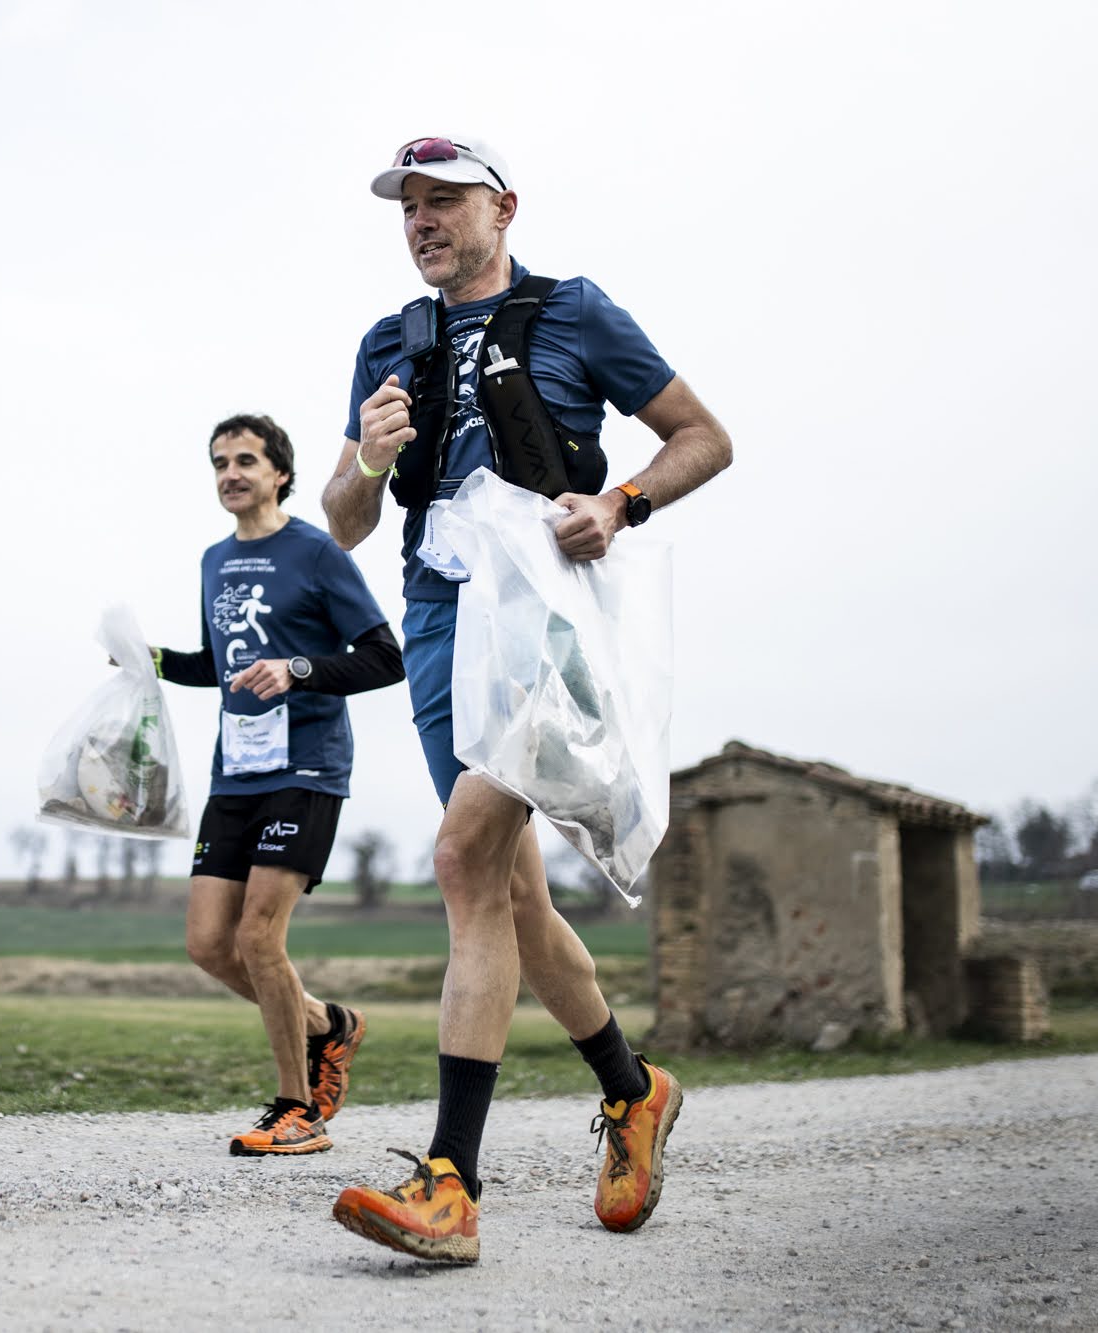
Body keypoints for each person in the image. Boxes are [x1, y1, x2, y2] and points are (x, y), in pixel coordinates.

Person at [319, 137, 732, 1261]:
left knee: (459, 860)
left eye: (443, 201)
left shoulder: (575, 310)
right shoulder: (386, 342)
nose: (421, 221)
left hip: (546, 621)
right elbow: (347, 519)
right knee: (504, 890)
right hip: (437, 622)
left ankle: (451, 1187)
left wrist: (621, 502)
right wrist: (364, 457)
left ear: (502, 207)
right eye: (408, 207)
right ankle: (632, 1089)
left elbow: (703, 438)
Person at [150, 413, 406, 1157]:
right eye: (220, 463)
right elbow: (218, 663)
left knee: (260, 936)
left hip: (308, 766)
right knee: (208, 943)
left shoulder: (317, 553)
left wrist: (296, 670)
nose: (231, 473)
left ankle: (299, 1110)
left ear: (280, 474)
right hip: (235, 772)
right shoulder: (212, 560)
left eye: (247, 461)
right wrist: (151, 662)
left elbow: (384, 657)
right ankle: (330, 1024)